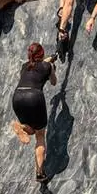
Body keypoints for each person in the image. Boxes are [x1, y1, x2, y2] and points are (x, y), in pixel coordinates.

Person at [11, 43, 57, 183]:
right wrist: (52, 69)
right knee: (40, 136)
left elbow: (36, 66)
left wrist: (48, 60)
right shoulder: (47, 67)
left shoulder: (24, 66)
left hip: (18, 96)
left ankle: (20, 127)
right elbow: (54, 82)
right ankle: (40, 172)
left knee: (30, 130)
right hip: (34, 97)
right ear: (42, 54)